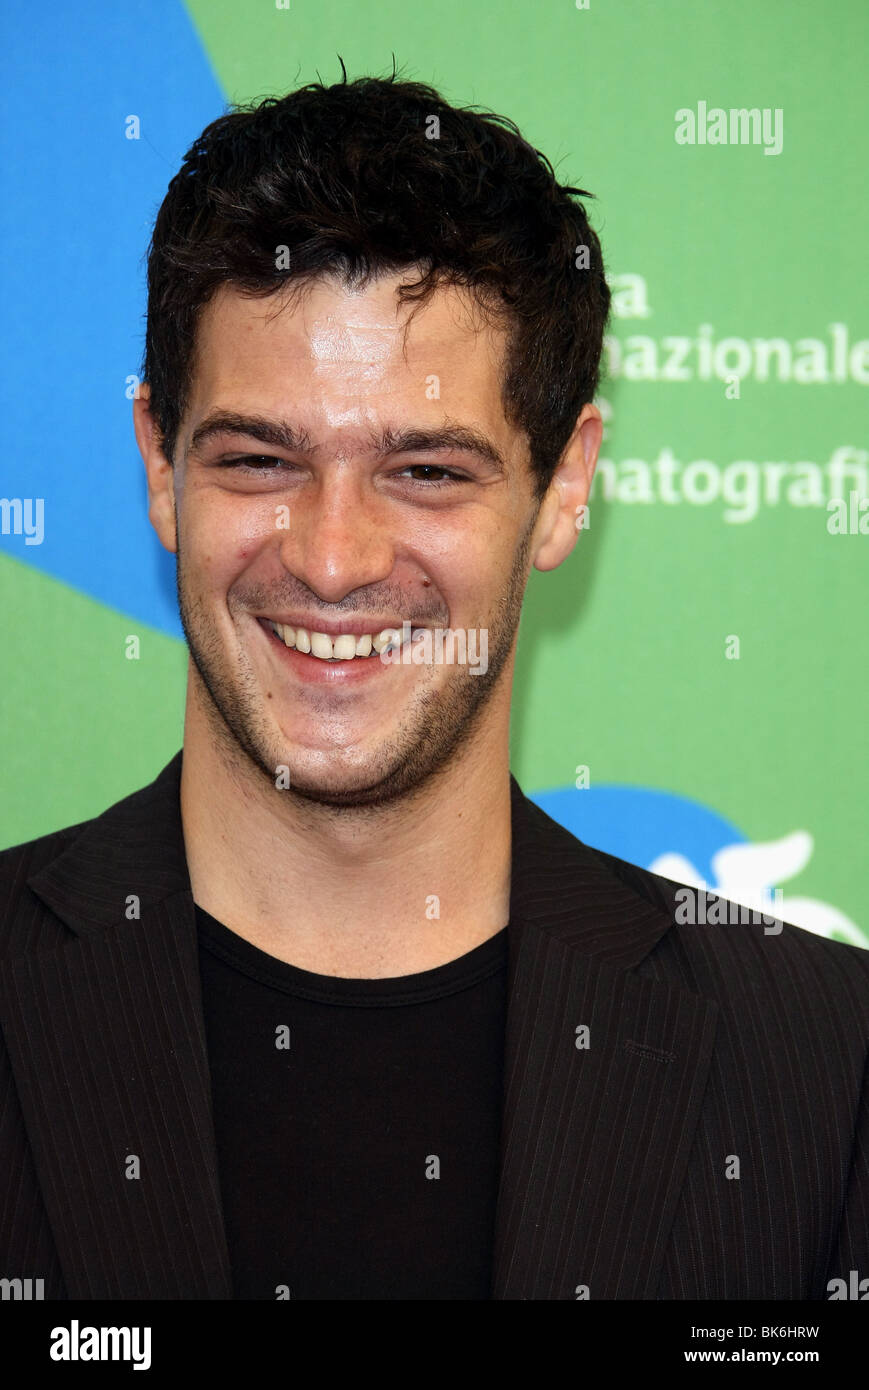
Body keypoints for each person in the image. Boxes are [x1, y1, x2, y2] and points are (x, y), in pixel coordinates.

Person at [1, 72, 866, 1303]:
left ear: (565, 485)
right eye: (257, 458)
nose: (331, 557)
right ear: (158, 464)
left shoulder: (823, 1067)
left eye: (423, 470)